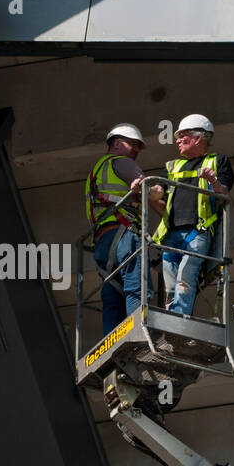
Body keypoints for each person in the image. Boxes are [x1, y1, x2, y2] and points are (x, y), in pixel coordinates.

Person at [84, 123, 165, 334]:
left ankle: (113, 345)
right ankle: (140, 334)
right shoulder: (122, 163)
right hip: (124, 234)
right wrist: (160, 191)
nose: (137, 150)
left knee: (113, 298)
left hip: (102, 241)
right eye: (133, 145)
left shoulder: (97, 170)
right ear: (117, 144)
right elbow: (146, 189)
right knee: (137, 287)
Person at [153, 114, 233, 317]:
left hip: (197, 231)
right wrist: (142, 189)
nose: (177, 140)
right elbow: (158, 192)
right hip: (171, 233)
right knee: (170, 287)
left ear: (198, 137)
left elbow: (224, 195)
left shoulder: (217, 161)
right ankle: (172, 323)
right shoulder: (172, 166)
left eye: (183, 135)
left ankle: (178, 324)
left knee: (184, 280)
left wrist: (213, 182)